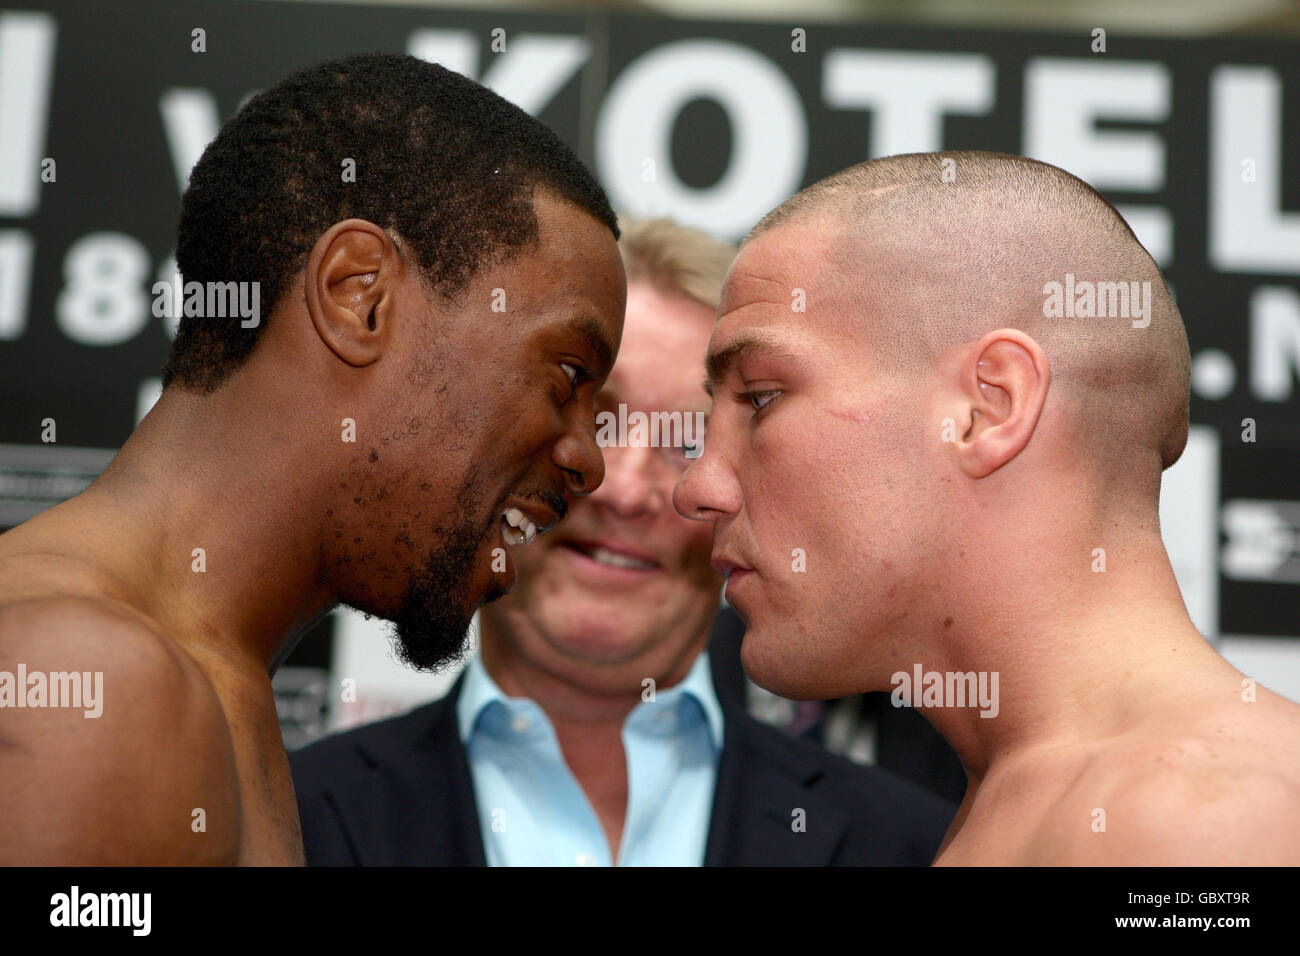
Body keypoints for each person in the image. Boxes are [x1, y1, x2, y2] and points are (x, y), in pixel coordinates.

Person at [0, 53, 625, 865]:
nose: (588, 460)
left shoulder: (203, 677)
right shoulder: (88, 684)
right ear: (357, 295)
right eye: (568, 376)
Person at [674, 151, 1300, 865]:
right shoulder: (1035, 801)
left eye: (761, 398)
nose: (697, 487)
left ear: (988, 406)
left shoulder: (1200, 820)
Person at [290, 217, 955, 866]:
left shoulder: (913, 845)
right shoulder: (292, 819)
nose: (625, 489)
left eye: (690, 443)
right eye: (595, 421)